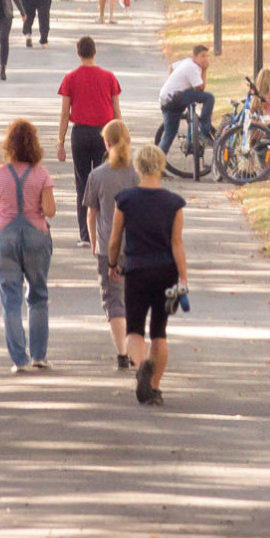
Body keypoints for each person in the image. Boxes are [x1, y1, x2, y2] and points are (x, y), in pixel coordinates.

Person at [108, 142, 188, 404]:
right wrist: (183, 277)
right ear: (161, 166)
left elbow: (115, 239)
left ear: (138, 167)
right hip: (166, 271)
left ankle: (142, 365)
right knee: (159, 332)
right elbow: (177, 242)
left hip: (136, 270)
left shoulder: (126, 200)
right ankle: (153, 387)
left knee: (134, 329)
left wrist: (112, 264)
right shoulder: (174, 203)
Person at [0, 118, 57, 373]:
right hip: (36, 236)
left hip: (5, 237)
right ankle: (39, 355)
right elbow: (50, 210)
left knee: (11, 299)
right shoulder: (41, 174)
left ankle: (19, 359)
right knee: (38, 295)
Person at [82, 119, 137, 370]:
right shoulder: (137, 173)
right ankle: (138, 349)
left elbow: (91, 213)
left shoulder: (97, 175)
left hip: (108, 246)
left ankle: (123, 354)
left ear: (106, 142)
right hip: (138, 246)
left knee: (114, 300)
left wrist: (94, 241)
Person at [56, 35, 122, 243]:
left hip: (81, 133)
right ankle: (105, 231)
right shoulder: (109, 77)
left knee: (82, 183)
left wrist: (60, 141)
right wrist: (120, 139)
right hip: (105, 133)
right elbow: (116, 110)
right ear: (95, 52)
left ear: (78, 53)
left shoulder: (70, 78)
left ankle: (85, 234)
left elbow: (65, 113)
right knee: (106, 181)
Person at [156, 44, 215, 154]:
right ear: (195, 57)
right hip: (174, 98)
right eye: (203, 56)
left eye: (207, 56)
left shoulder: (187, 62)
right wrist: (204, 70)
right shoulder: (193, 68)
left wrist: (176, 82)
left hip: (166, 98)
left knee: (169, 135)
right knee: (209, 98)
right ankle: (204, 131)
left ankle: (155, 162)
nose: (205, 59)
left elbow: (171, 67)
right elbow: (200, 89)